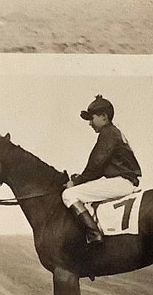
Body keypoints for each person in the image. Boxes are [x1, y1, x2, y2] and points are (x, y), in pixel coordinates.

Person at [61, 96, 142, 244]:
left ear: (104, 117)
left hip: (121, 182)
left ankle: (94, 234)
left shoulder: (108, 133)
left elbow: (96, 165)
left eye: (91, 119)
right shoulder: (114, 132)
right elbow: (98, 168)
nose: (90, 123)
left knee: (68, 194)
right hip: (124, 181)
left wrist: (76, 181)